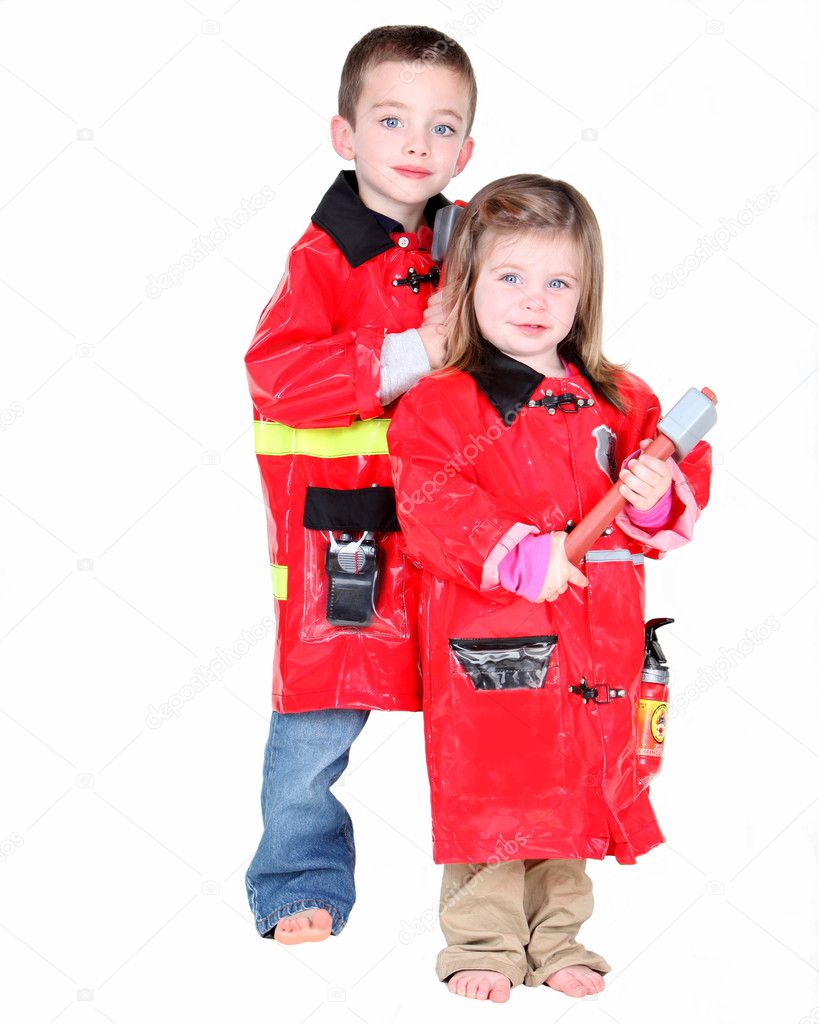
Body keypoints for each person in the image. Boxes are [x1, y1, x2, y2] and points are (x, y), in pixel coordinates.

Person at [386, 173, 712, 1001]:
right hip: (490, 636)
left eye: (557, 282)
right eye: (510, 277)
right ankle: (482, 943)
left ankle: (560, 935)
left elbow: (677, 495)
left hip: (594, 635)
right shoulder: (442, 405)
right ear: (467, 283)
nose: (534, 301)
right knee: (495, 787)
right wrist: (519, 552)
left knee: (576, 782)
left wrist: (652, 492)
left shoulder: (621, 401)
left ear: (584, 293)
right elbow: (428, 502)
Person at [242, 25, 476, 944]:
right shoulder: (323, 256)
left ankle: (488, 900)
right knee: (314, 730)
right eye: (391, 120)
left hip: (454, 530)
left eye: (442, 126)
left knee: (484, 716)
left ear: (467, 148)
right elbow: (277, 375)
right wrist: (421, 348)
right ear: (344, 136)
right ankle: (296, 879)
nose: (417, 144)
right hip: (346, 541)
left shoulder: (468, 243)